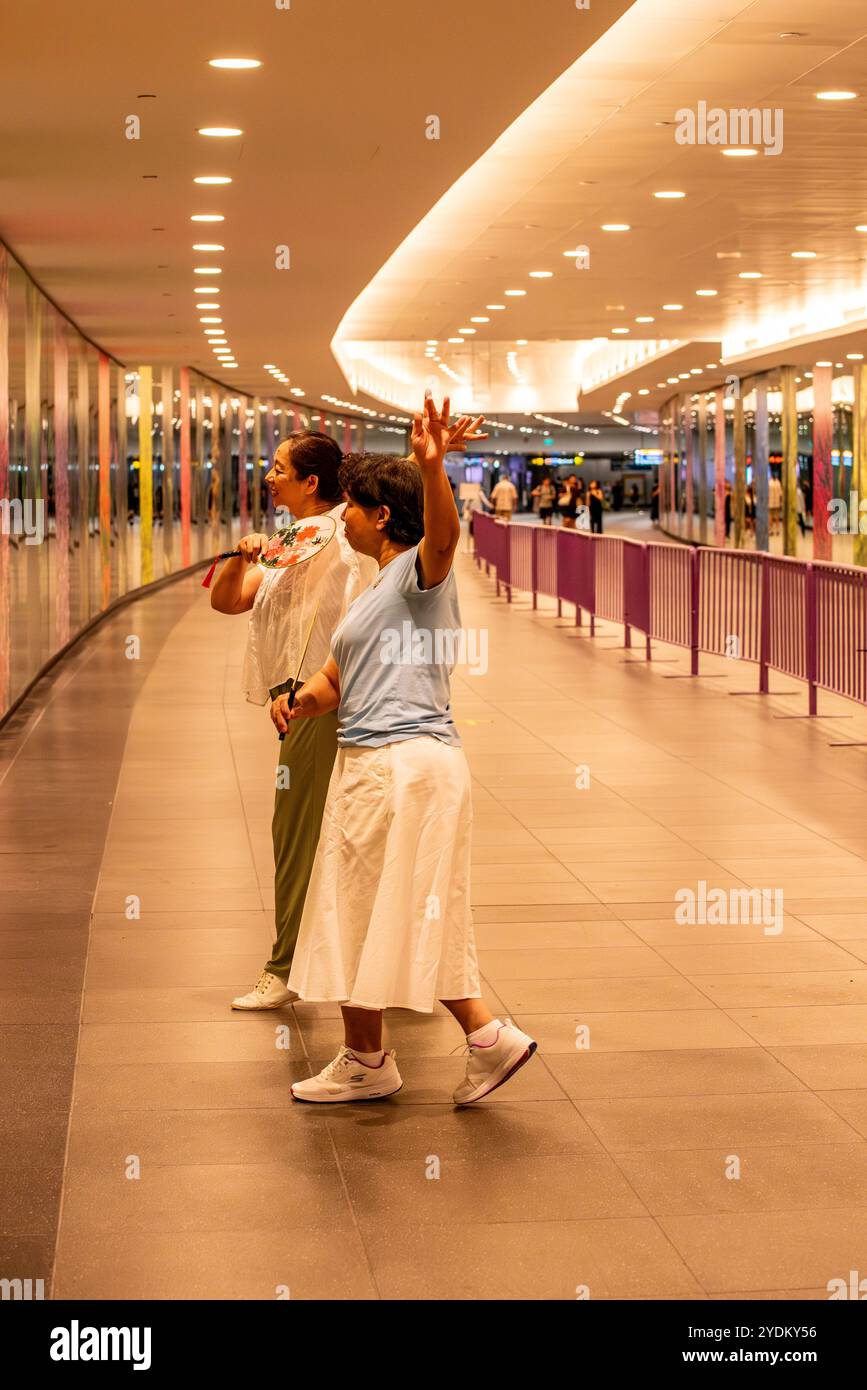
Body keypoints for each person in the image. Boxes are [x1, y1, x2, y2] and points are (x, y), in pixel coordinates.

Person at [274, 396, 537, 1105]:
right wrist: (301, 697)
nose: (343, 517)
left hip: (396, 763)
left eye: (351, 507)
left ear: (381, 517)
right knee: (412, 908)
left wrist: (432, 466)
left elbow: (446, 538)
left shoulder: (420, 574)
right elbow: (337, 678)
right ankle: (485, 1039)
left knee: (351, 908)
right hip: (398, 763)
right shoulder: (371, 588)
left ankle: (368, 1060)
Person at [209, 431, 376, 1010]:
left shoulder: (342, 534)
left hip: (322, 698)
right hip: (295, 701)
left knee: (296, 827)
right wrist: (237, 555)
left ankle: (284, 968)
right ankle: (360, 965)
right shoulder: (287, 543)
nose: (268, 474)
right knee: (319, 827)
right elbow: (228, 601)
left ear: (312, 482)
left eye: (279, 467)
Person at [768, 471, 783, 536]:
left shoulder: (773, 483)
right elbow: (780, 494)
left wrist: (781, 502)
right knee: (773, 517)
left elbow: (780, 494)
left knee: (774, 517)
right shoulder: (775, 483)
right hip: (773, 503)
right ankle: (773, 530)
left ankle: (774, 530)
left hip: (774, 503)